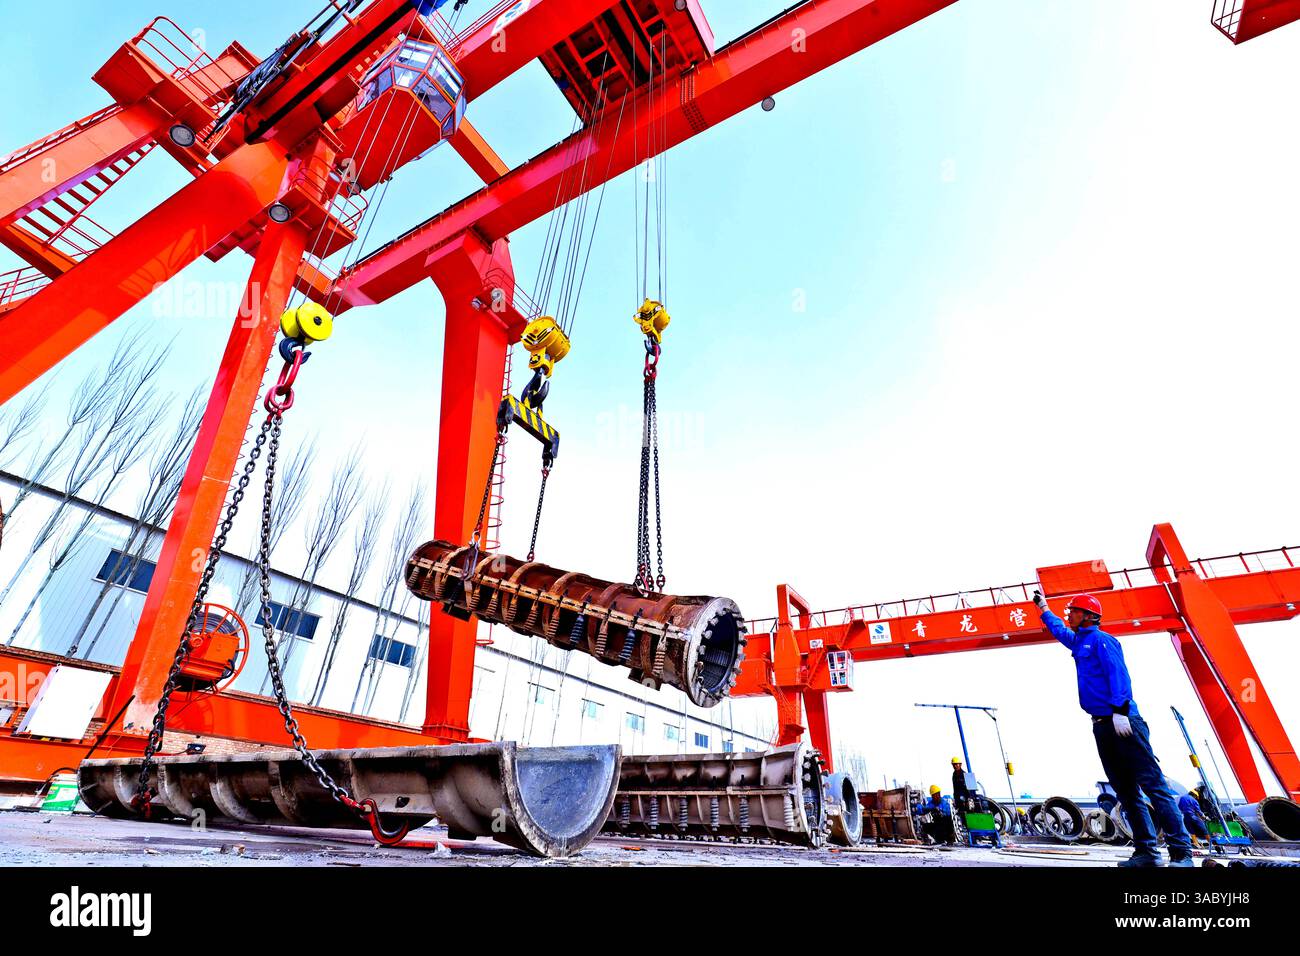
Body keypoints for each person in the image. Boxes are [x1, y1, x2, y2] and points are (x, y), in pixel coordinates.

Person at [1033, 590, 1194, 867]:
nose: (1068, 614)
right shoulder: (1080, 643)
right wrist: (1044, 608)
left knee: (1154, 786)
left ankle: (1182, 853)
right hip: (1102, 725)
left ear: (1088, 616)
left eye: (1073, 611)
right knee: (1126, 791)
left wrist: (1120, 711)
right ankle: (1146, 852)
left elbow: (1118, 674)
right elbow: (1059, 630)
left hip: (1123, 722)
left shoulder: (1103, 641)